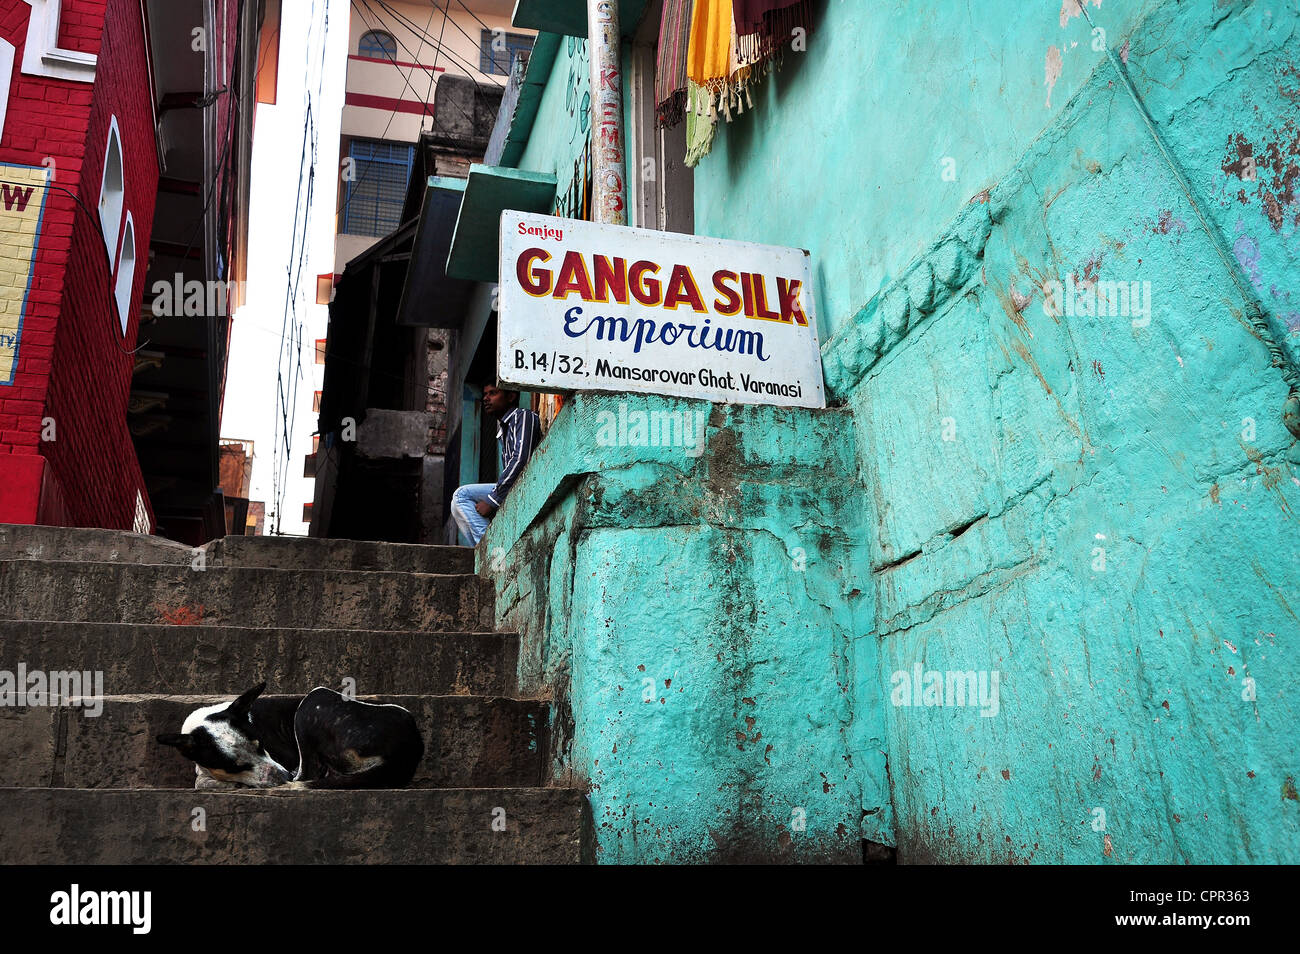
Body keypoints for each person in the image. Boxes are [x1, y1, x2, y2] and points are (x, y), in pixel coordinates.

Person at [449, 384, 541, 547]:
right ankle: (482, 551)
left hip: (532, 487)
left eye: (493, 393)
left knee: (462, 496)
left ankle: (490, 552)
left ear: (511, 397)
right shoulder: (504, 429)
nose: (486, 398)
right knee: (457, 504)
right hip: (515, 491)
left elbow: (521, 459)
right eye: (485, 394)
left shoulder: (523, 416)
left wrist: (493, 500)